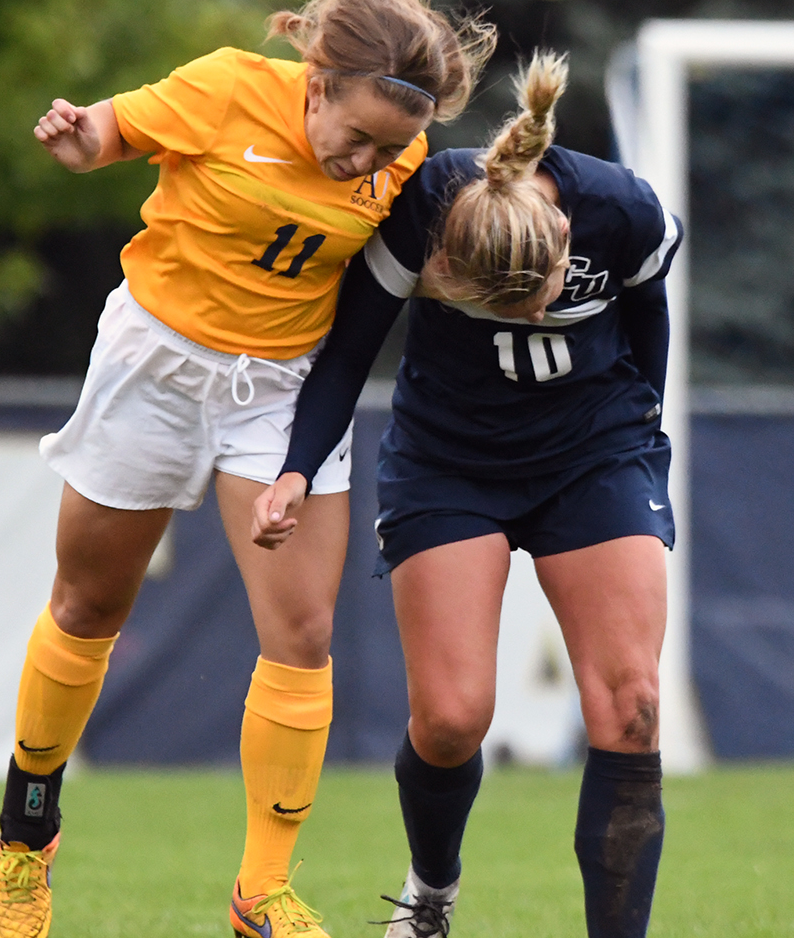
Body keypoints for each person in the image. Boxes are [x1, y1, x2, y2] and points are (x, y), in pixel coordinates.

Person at [0, 0, 495, 938]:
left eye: (389, 148)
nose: (368, 162)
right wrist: (76, 138)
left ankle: (261, 891)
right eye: (355, 136)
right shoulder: (226, 88)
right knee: (89, 603)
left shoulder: (404, 152)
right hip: (157, 363)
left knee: (303, 634)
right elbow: (112, 132)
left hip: (280, 390)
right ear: (314, 81)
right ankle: (28, 836)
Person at [250, 50, 681, 938]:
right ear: (449, 262)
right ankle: (432, 890)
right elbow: (346, 353)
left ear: (566, 246)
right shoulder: (424, 214)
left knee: (631, 707)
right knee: (450, 720)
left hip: (594, 452)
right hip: (450, 459)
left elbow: (648, 315)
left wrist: (645, 431)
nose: (525, 319)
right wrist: (295, 468)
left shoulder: (623, 211)